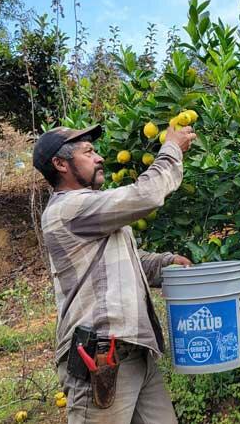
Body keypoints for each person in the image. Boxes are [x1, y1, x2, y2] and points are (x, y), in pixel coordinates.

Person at [32, 123, 197, 423]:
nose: (99, 158)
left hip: (135, 353)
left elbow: (125, 261)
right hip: (100, 358)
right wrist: (171, 149)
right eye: (88, 152)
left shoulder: (92, 212)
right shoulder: (68, 209)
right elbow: (145, 196)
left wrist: (166, 263)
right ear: (60, 164)